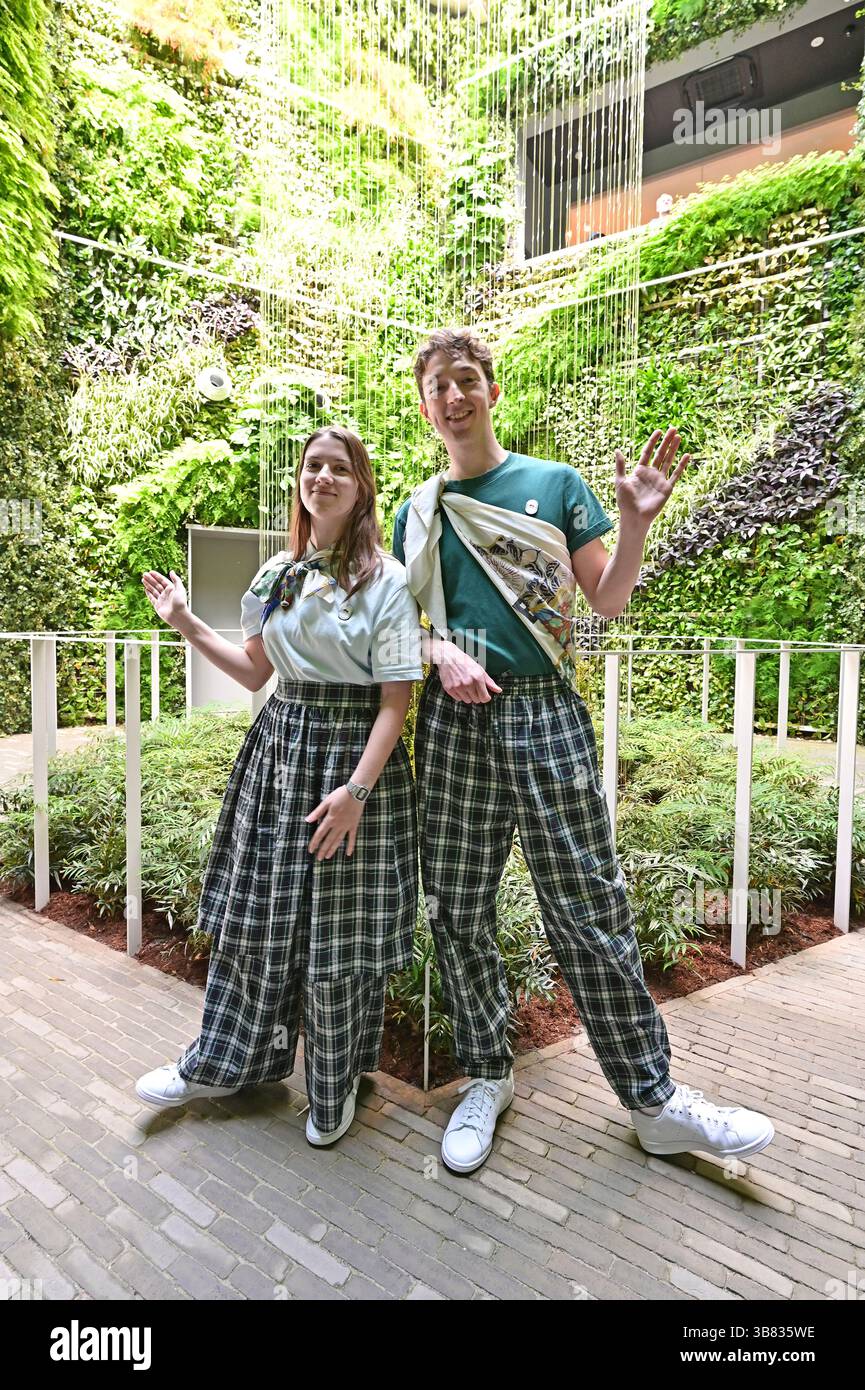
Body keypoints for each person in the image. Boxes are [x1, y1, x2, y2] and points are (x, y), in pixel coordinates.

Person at [392, 326, 775, 1174]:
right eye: (437, 387)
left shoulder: (554, 485)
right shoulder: (415, 511)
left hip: (543, 711)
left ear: (491, 389)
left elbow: (605, 599)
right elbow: (396, 628)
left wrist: (634, 521)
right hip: (453, 725)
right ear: (425, 407)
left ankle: (653, 1100)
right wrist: (436, 652)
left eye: (466, 380)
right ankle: (487, 1076)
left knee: (589, 908)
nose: (453, 397)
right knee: (457, 909)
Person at [135, 426, 424, 1146]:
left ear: (360, 487)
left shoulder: (386, 581)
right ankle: (225, 1061)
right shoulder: (276, 575)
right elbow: (254, 673)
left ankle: (334, 1089)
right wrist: (184, 622)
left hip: (356, 767)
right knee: (257, 918)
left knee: (340, 936)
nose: (321, 477)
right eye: (312, 466)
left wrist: (356, 793)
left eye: (338, 469)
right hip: (280, 751)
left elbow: (395, 703)